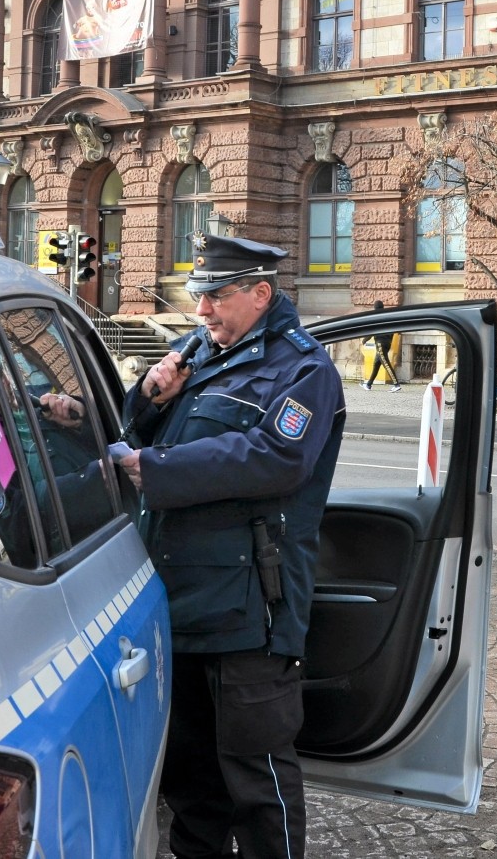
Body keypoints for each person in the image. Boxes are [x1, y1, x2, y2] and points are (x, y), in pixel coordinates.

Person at [117, 232, 346, 858]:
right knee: (192, 781)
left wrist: (156, 466)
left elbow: (275, 459)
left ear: (260, 294)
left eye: (215, 296)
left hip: (251, 610)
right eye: (198, 296)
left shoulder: (304, 369)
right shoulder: (197, 352)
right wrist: (145, 397)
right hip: (181, 604)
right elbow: (127, 431)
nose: (202, 311)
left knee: (257, 779)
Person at [361, 300, 402, 392]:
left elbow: (372, 330)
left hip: (380, 343)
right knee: (376, 364)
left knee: (386, 364)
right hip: (387, 343)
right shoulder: (388, 316)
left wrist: (364, 340)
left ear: (375, 308)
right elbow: (395, 328)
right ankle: (368, 384)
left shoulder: (376, 316)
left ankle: (396, 384)